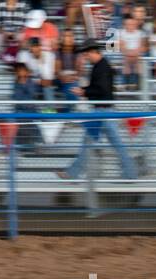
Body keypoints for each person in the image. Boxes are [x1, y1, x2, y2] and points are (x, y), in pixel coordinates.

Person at [57, 43, 138, 181]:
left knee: (89, 143)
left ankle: (72, 174)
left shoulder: (102, 67)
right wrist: (84, 90)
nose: (86, 57)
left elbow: (102, 90)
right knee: (115, 145)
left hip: (102, 112)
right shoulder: (100, 66)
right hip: (104, 111)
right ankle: (130, 174)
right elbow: (98, 88)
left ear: (94, 52)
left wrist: (83, 91)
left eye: (87, 54)